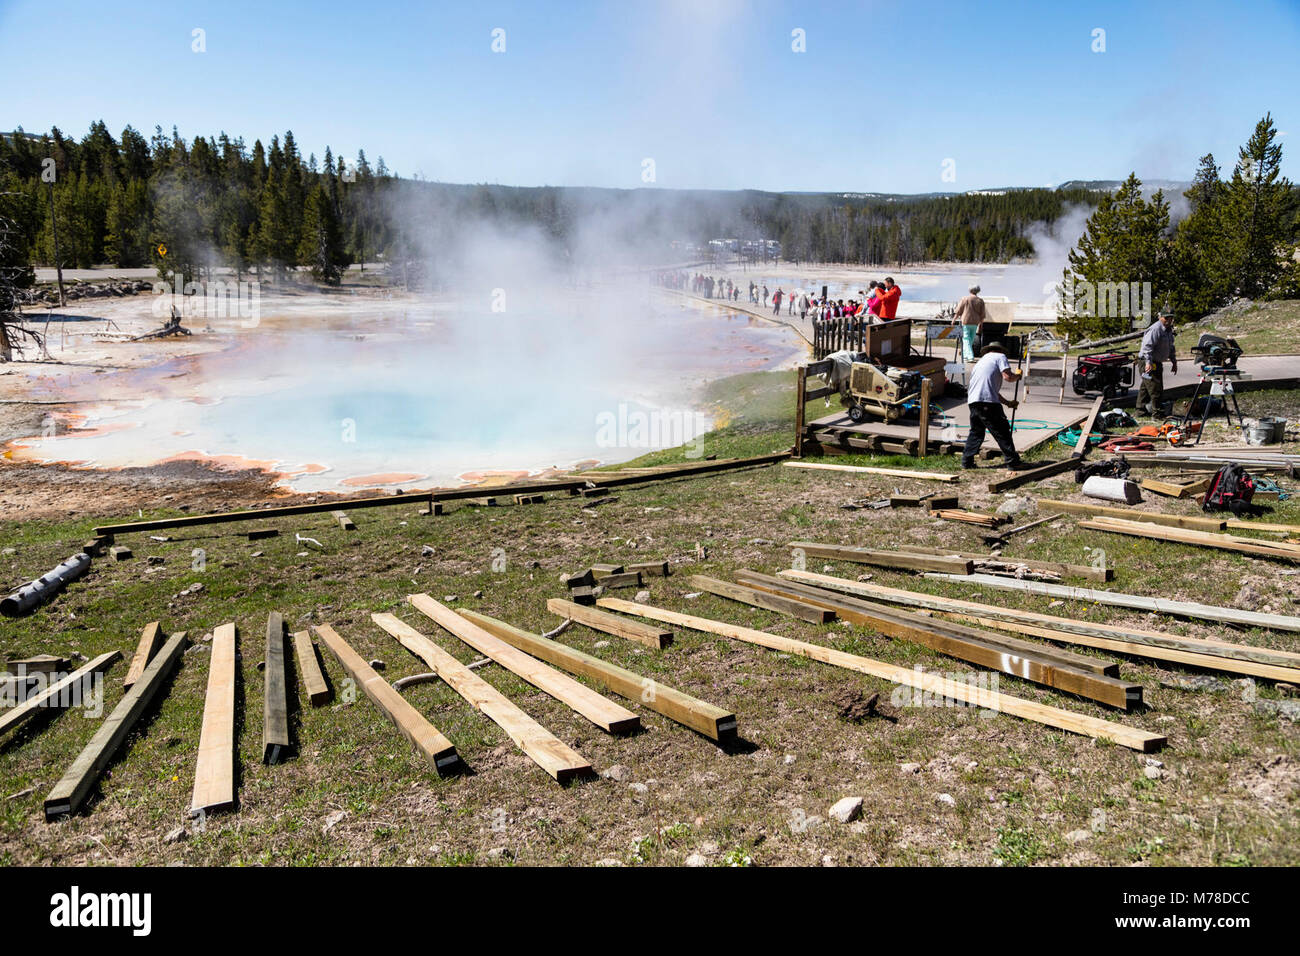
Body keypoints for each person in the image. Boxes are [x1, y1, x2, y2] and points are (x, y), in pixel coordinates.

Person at [963, 343, 1025, 470]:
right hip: (987, 403)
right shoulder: (1000, 356)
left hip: (974, 401)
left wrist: (1008, 403)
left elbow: (991, 391)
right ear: (1000, 350)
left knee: (976, 432)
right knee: (1002, 431)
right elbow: (1008, 377)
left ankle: (967, 462)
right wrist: (1017, 376)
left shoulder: (981, 362)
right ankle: (1013, 462)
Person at [1136, 311, 1178, 417]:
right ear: (1160, 317)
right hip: (1148, 362)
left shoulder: (1168, 330)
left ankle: (1140, 411)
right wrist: (1148, 363)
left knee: (1146, 387)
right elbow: (1147, 347)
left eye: (1170, 318)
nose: (1168, 320)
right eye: (1166, 318)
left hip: (1157, 363)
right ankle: (1157, 414)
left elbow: (1171, 347)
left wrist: (1174, 361)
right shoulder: (1155, 329)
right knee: (1155, 388)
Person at [953, 284, 988, 361]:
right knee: (971, 339)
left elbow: (958, 311)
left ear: (969, 290)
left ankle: (970, 356)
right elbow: (982, 315)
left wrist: (953, 320)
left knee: (966, 339)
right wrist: (980, 324)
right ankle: (965, 355)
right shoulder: (980, 301)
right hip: (975, 322)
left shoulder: (965, 299)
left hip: (966, 321)